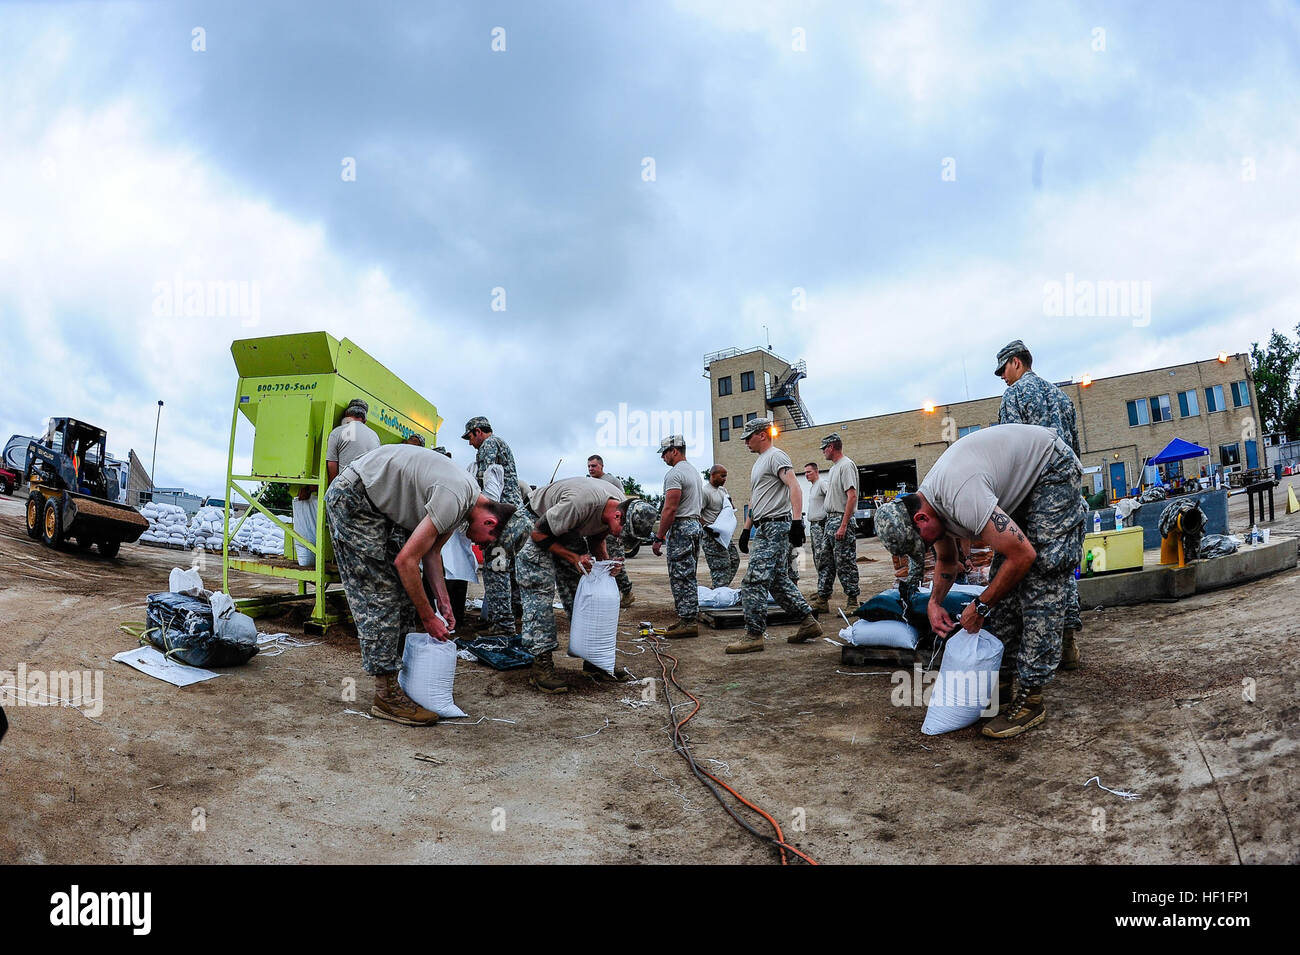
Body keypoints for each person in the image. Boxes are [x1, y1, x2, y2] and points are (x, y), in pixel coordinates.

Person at [874, 423, 1085, 739]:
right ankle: (1000, 680)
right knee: (1004, 578)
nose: (926, 550)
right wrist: (934, 603)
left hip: (1050, 469)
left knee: (1039, 574)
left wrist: (982, 604)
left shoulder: (961, 495)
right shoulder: (931, 510)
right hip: (1023, 485)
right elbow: (947, 560)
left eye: (921, 543)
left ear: (920, 519)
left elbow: (1023, 556)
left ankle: (1031, 697)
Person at [324, 443, 514, 726]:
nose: (477, 544)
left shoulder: (465, 501)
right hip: (354, 500)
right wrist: (428, 618)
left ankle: (398, 680)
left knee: (403, 595)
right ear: (489, 521)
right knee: (382, 594)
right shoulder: (455, 497)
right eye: (483, 540)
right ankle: (386, 695)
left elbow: (432, 552)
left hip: (375, 505)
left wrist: (443, 602)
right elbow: (406, 562)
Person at [515, 476, 652, 692]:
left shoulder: (617, 505)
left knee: (585, 589)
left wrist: (606, 566)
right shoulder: (580, 503)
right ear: (618, 516)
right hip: (537, 522)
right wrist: (573, 558)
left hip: (569, 528)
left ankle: (594, 660)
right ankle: (541, 665)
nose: (621, 540)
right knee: (539, 591)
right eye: (623, 534)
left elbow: (597, 539)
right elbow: (538, 533)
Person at [995, 340, 1084, 670]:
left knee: (1037, 568)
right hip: (1067, 489)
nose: (1002, 377)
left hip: (1038, 492)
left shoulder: (1015, 395)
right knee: (1062, 564)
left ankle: (1036, 656)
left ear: (1016, 363)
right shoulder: (1061, 397)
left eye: (1003, 369)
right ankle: (1069, 643)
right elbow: (1074, 448)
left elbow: (1011, 450)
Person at [729, 418, 822, 654]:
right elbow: (756, 499)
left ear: (762, 434)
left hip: (775, 527)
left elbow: (794, 486)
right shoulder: (760, 462)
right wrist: (747, 528)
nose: (746, 442)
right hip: (763, 526)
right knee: (778, 580)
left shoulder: (776, 456)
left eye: (749, 437)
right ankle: (808, 622)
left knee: (753, 581)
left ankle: (754, 635)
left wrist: (797, 521)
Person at [463, 417, 529, 636]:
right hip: (518, 519)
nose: (470, 444)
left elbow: (484, 481)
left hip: (502, 522)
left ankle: (502, 626)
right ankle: (517, 613)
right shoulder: (503, 445)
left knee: (496, 571)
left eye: (470, 438)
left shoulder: (489, 445)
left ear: (478, 432)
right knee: (512, 570)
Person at [295, 399, 382, 562]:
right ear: (364, 419)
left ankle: (344, 568)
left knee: (343, 537)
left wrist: (318, 489)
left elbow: (332, 468)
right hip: (369, 495)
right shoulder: (374, 436)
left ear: (346, 415)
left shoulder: (338, 432)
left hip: (346, 493)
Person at [651, 435, 704, 638]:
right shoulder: (693, 472)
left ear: (675, 451)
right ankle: (686, 617)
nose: (663, 457)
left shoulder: (675, 474)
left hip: (682, 527)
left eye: (665, 453)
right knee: (687, 574)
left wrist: (659, 537)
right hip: (694, 525)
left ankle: (688, 621)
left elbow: (670, 509)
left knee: (681, 576)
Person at [816, 435, 860, 612]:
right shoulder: (834, 468)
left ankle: (852, 600)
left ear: (832, 447)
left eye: (824, 448)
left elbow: (852, 496)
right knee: (825, 561)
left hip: (841, 519)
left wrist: (843, 525)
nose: (823, 452)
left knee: (845, 561)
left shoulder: (846, 465)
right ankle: (823, 598)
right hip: (830, 520)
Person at [588, 454, 634, 606]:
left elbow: (621, 502)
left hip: (611, 529)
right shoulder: (590, 481)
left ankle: (627, 592)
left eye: (593, 466)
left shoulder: (611, 481)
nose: (591, 469)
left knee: (615, 561)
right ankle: (607, 593)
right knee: (600, 562)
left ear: (601, 466)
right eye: (589, 466)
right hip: (598, 528)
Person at [700, 465, 741, 587]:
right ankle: (719, 589)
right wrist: (707, 528)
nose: (725, 479)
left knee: (734, 560)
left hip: (723, 534)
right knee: (720, 566)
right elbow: (696, 514)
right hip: (711, 535)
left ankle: (720, 588)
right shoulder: (705, 492)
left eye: (726, 476)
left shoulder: (723, 491)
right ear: (712, 475)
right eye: (722, 476)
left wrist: (730, 503)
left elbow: (730, 508)